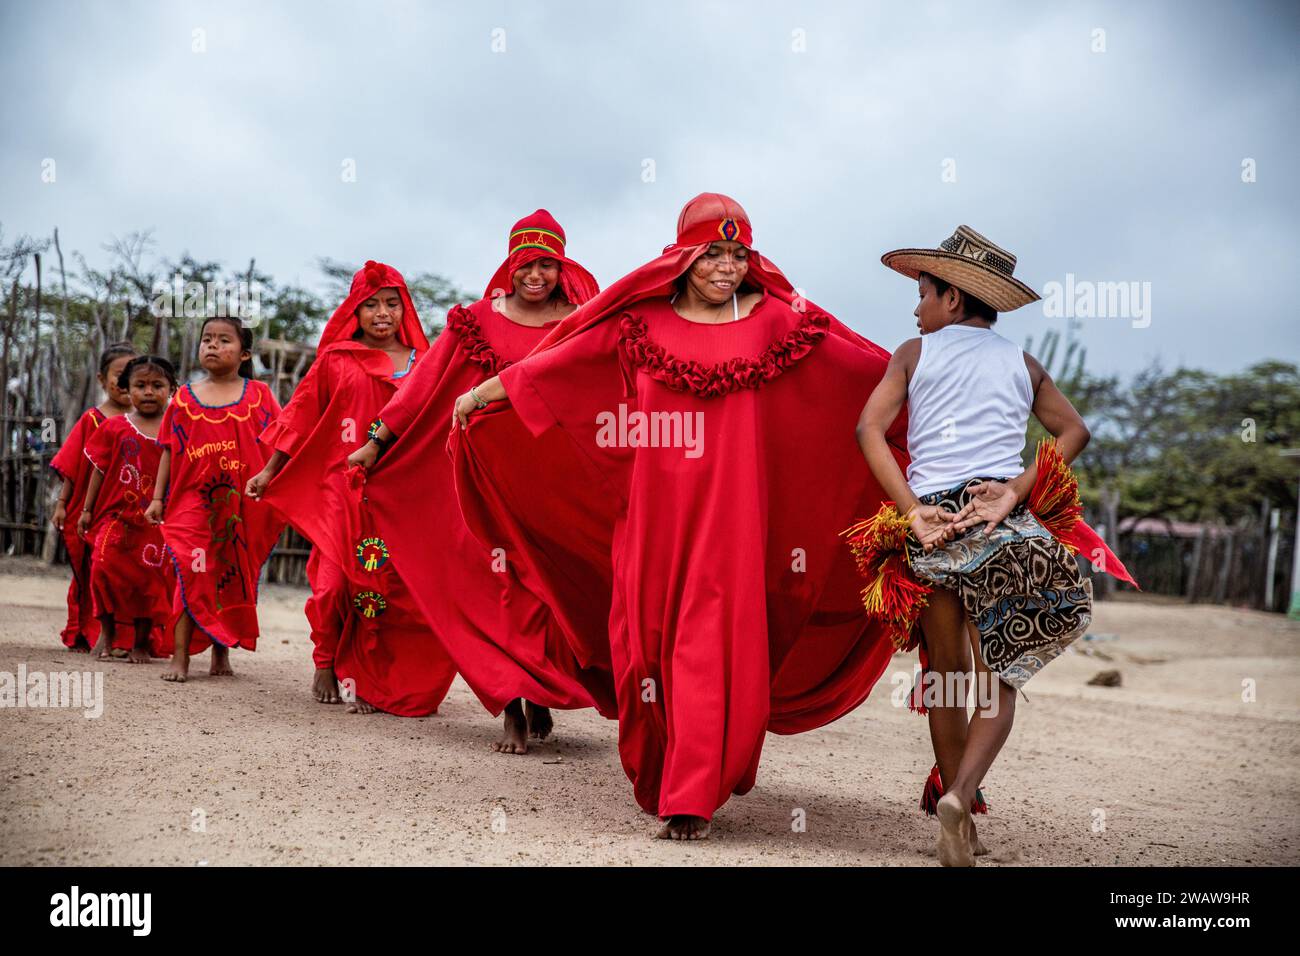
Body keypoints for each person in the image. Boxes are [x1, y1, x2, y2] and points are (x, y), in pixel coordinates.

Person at [449, 193, 908, 838]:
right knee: (644, 649)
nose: (726, 266)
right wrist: (476, 396)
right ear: (683, 256)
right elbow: (550, 366)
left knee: (710, 644)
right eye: (712, 253)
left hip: (735, 528)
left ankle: (691, 795)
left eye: (738, 253)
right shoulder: (637, 322)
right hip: (651, 522)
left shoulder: (782, 321)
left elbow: (863, 369)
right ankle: (673, 769)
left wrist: (954, 377)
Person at [850, 225, 1136, 866]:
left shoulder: (912, 355)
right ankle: (959, 797)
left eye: (922, 293)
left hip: (936, 527)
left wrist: (912, 512)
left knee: (946, 678)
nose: (915, 306)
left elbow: (869, 427)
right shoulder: (1022, 362)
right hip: (996, 526)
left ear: (952, 299)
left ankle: (963, 825)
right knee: (999, 681)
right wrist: (1013, 492)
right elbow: (1074, 431)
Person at [348, 211, 611, 747]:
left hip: (553, 479)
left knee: (544, 591)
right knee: (497, 586)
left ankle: (539, 691)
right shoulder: (473, 320)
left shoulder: (581, 321)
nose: (534, 276)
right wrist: (378, 442)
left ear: (561, 267)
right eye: (524, 264)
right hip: (481, 477)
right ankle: (513, 704)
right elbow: (423, 385)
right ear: (508, 265)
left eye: (546, 265)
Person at [247, 260, 457, 716]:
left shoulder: (427, 363)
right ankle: (326, 662)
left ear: (407, 311)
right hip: (341, 487)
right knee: (334, 585)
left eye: (392, 304)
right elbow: (300, 417)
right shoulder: (336, 360)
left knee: (397, 592)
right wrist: (268, 472)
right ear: (354, 312)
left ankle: (375, 681)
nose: (382, 313)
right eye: (371, 305)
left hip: (403, 494)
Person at [145, 316, 284, 682]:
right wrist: (158, 498)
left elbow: (281, 441)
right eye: (207, 339)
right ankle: (180, 657)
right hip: (191, 501)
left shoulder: (260, 396)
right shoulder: (183, 399)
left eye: (224, 340)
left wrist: (272, 481)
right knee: (191, 569)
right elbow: (168, 450)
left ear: (244, 353)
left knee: (228, 572)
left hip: (240, 504)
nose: (212, 345)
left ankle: (221, 651)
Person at [78, 355, 177, 662]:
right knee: (102, 569)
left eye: (157, 385)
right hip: (116, 518)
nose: (149, 392)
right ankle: (106, 635)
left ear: (171, 389)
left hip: (155, 522)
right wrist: (86, 510)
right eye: (140, 385)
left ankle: (140, 642)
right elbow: (98, 469)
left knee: (149, 581)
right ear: (127, 389)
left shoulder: (176, 429)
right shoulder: (115, 427)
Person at [50, 342, 136, 652]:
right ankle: (88, 631)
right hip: (94, 512)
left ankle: (131, 638)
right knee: (95, 571)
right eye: (118, 374)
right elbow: (74, 466)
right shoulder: (92, 419)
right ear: (101, 379)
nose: (125, 381)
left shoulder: (150, 422)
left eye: (133, 374)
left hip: (133, 515)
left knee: (131, 574)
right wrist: (62, 504)